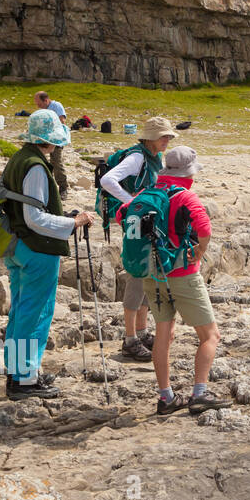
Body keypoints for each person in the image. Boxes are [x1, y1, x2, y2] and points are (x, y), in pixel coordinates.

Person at [116, 146, 231, 416]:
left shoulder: (147, 194)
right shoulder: (185, 196)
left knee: (164, 334)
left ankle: (166, 397)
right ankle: (200, 393)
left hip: (152, 276)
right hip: (183, 275)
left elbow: (122, 214)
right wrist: (199, 251)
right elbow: (204, 228)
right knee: (210, 335)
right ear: (188, 173)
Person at [0, 110, 97, 399]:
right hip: (36, 249)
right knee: (36, 313)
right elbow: (35, 218)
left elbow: (27, 209)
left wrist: (63, 215)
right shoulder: (37, 167)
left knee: (20, 311)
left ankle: (16, 372)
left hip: (17, 246)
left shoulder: (19, 158)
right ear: (51, 141)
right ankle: (25, 380)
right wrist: (73, 223)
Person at [99, 117, 177, 361]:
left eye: (169, 136)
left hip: (142, 220)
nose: (168, 140)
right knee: (136, 273)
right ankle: (130, 339)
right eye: (164, 136)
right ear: (151, 137)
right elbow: (107, 180)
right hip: (135, 220)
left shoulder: (151, 157)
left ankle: (141, 333)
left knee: (147, 271)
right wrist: (132, 203)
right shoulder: (138, 157)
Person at [32, 91, 69, 199]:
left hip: (57, 139)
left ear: (46, 100)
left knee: (56, 162)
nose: (38, 106)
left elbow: (62, 121)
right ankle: (47, 187)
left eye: (39, 103)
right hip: (45, 138)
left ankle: (63, 188)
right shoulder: (43, 110)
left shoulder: (56, 106)